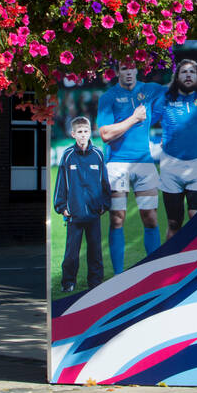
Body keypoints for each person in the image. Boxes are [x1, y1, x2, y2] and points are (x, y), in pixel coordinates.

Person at [96, 61, 167, 273]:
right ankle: (119, 275)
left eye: (132, 67)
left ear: (138, 69)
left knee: (151, 217)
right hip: (117, 164)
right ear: (117, 72)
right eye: (124, 68)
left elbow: (176, 93)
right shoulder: (108, 98)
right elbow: (106, 134)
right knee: (117, 219)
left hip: (144, 163)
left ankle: (152, 272)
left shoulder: (150, 90)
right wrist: (134, 118)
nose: (128, 72)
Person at [53, 116, 111, 292]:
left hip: (94, 213)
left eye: (86, 131)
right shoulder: (68, 155)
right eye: (80, 132)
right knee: (71, 253)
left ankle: (95, 282)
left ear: (90, 132)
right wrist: (62, 207)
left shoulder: (98, 155)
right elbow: (61, 183)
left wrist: (104, 204)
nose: (83, 135)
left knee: (95, 251)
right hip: (74, 214)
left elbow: (105, 183)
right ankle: (68, 282)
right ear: (73, 134)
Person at [160, 58, 197, 240]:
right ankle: (170, 263)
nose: (188, 75)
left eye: (192, 72)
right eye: (183, 71)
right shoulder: (165, 98)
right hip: (171, 167)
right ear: (176, 76)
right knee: (174, 223)